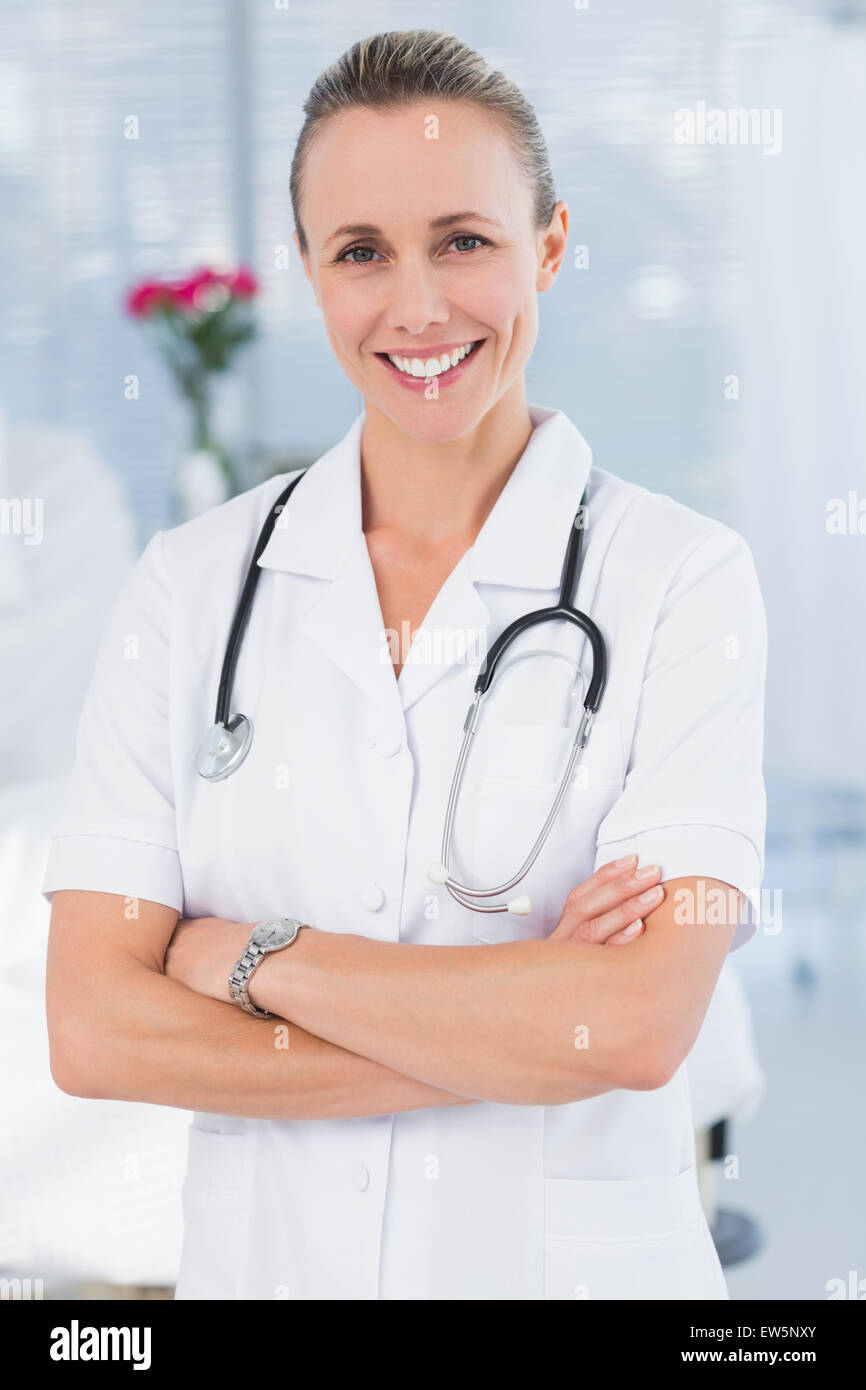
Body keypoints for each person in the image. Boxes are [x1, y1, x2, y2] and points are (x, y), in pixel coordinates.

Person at [42, 29, 767, 1301]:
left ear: (546, 245)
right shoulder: (190, 587)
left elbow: (643, 1024)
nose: (417, 307)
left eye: (463, 240)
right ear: (311, 274)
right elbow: (93, 1032)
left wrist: (247, 957)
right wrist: (520, 1025)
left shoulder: (681, 580)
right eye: (361, 252)